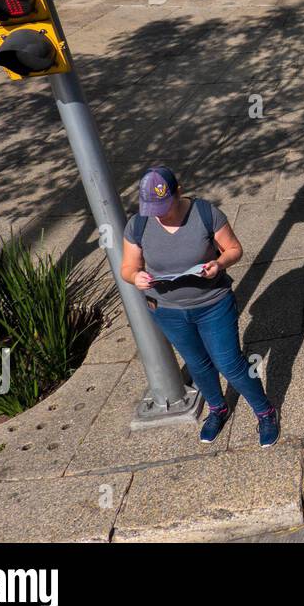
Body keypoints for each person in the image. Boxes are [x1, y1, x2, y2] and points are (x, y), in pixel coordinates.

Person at [120, 166, 279, 448]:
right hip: (167, 310)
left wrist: (219, 264)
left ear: (178, 191)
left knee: (230, 363)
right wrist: (137, 277)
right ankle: (218, 409)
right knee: (197, 364)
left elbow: (234, 249)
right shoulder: (138, 225)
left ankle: (265, 411)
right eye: (152, 207)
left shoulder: (205, 213)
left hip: (212, 304)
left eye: (164, 205)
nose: (159, 213)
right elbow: (127, 268)